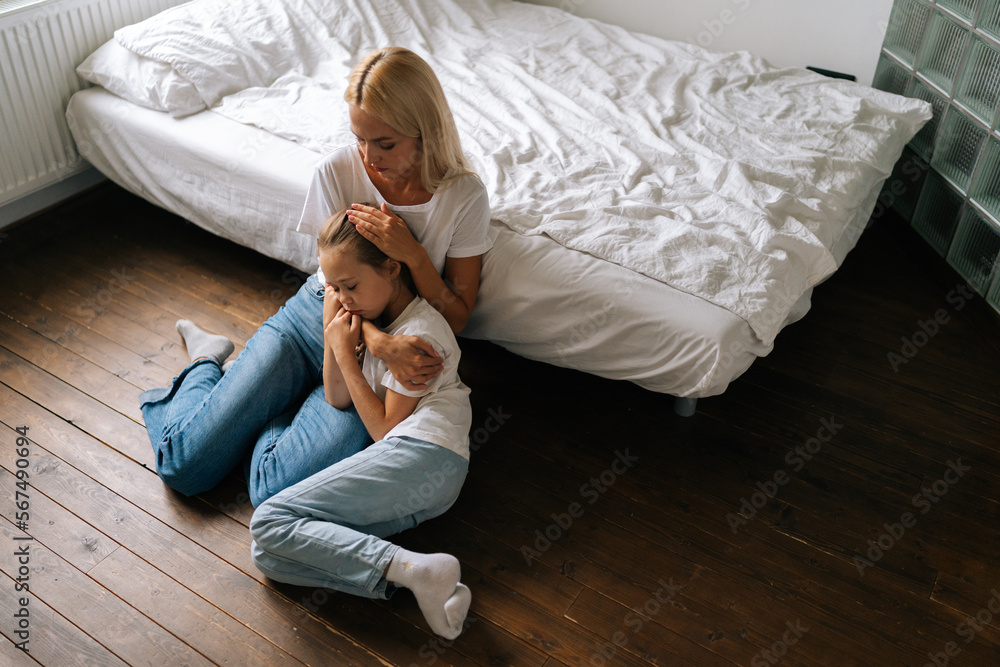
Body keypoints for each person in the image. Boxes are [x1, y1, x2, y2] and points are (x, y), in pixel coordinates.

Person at [138, 46, 491, 503]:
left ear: (426, 131)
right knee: (184, 467)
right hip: (317, 315)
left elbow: (458, 317)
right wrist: (374, 340)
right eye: (360, 139)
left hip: (383, 351)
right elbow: (333, 284)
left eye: (385, 144)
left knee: (275, 486)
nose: (369, 157)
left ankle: (263, 402)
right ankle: (207, 363)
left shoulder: (463, 196)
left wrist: (414, 256)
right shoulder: (337, 170)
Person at [250, 208, 473, 640]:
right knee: (271, 556)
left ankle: (416, 569)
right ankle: (420, 578)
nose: (342, 297)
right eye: (332, 287)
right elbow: (335, 397)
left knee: (268, 521)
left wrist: (347, 355)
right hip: (426, 477)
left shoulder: (420, 335)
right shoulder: (362, 319)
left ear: (392, 268)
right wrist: (334, 337)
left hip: (425, 453)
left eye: (350, 286)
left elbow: (384, 431)